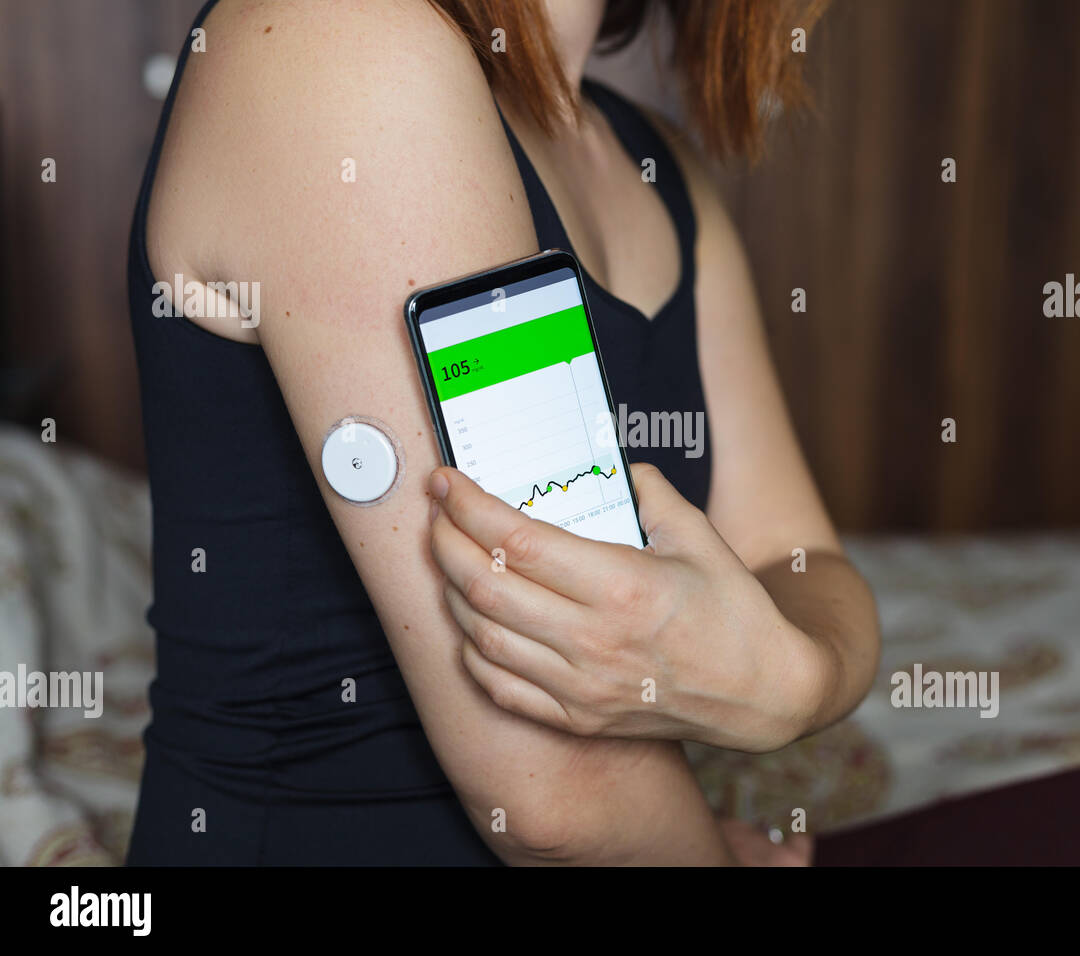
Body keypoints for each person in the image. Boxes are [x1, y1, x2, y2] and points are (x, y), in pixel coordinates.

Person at [126, 0, 878, 865]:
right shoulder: (342, 42)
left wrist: (793, 682)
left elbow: (798, 559)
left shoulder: (651, 159)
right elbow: (559, 797)